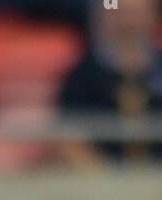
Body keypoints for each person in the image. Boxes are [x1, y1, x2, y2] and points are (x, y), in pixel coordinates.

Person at [58, 0, 162, 165]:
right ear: (106, 17)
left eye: (135, 13)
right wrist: (102, 179)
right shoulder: (83, 73)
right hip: (101, 180)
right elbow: (67, 134)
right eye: (121, 12)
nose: (129, 22)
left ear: (152, 15)